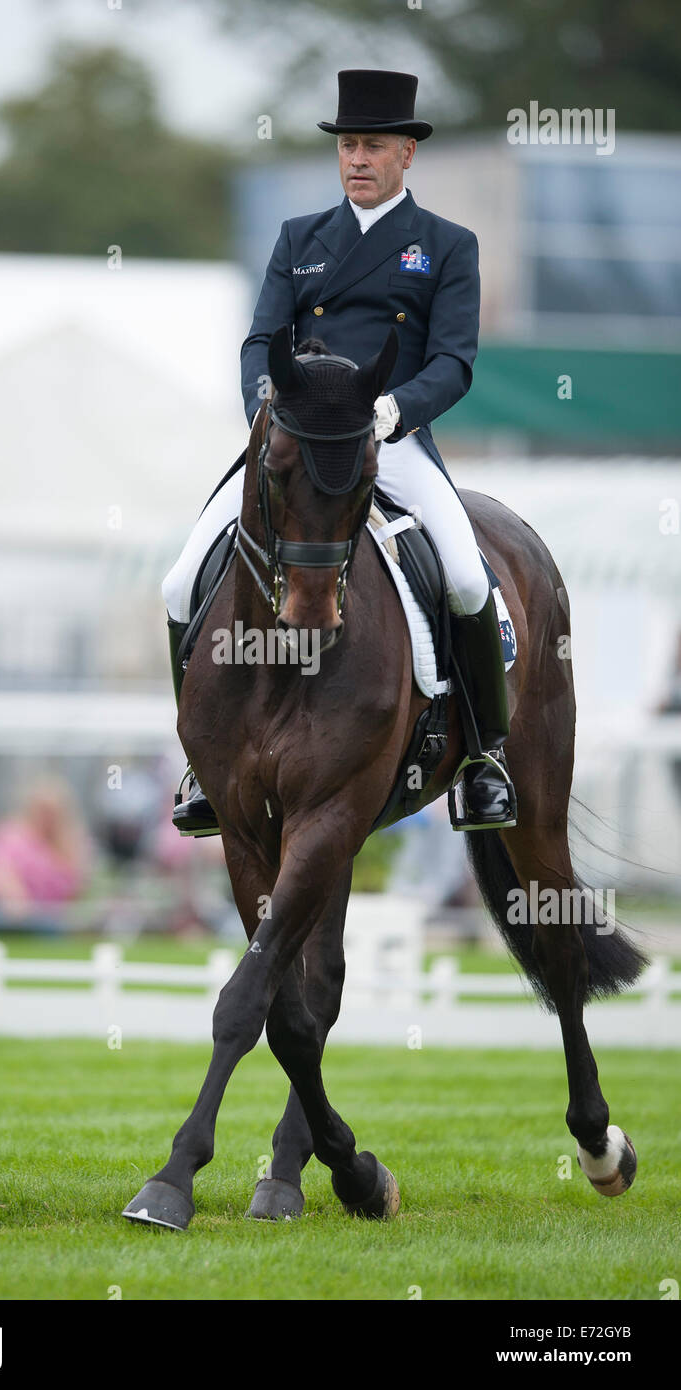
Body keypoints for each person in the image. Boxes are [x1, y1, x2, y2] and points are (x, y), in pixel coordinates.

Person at [162, 69, 516, 836]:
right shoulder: (301, 239)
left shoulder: (447, 246)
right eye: (350, 145)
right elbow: (263, 337)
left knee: (462, 573)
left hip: (387, 439)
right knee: (179, 578)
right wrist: (267, 401)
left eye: (374, 146)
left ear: (406, 156)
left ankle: (485, 758)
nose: (359, 159)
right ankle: (204, 758)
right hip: (294, 442)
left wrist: (394, 410)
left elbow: (454, 360)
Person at [0, 775, 90, 934]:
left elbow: (75, 890)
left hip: (47, 919)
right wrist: (16, 902)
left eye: (52, 812)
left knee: (49, 928)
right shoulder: (10, 835)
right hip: (4, 912)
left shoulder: (73, 844)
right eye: (43, 810)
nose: (47, 818)